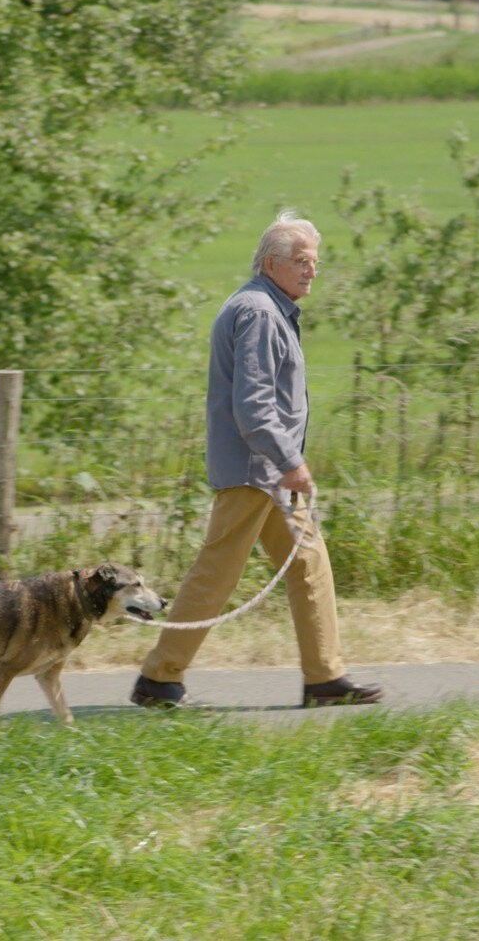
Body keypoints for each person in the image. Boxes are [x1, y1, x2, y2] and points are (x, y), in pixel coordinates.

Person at [131, 210, 383, 710]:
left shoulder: (268, 307)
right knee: (217, 573)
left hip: (268, 473)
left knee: (309, 564)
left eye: (315, 261)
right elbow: (255, 405)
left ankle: (324, 678)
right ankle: (159, 677)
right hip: (256, 472)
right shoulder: (260, 313)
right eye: (302, 261)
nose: (312, 270)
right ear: (272, 263)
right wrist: (289, 458)